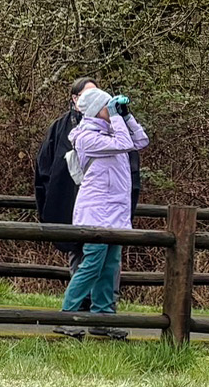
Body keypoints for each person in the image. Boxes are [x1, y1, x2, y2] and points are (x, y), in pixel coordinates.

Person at [59, 86, 149, 320]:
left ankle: (103, 317)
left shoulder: (112, 130)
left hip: (116, 212)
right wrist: (117, 118)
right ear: (97, 109)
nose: (112, 110)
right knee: (92, 266)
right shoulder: (86, 137)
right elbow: (123, 144)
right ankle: (67, 315)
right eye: (107, 106)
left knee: (110, 268)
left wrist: (126, 115)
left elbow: (140, 140)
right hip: (95, 212)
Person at [33, 77, 144, 267]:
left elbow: (135, 149)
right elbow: (44, 169)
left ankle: (105, 297)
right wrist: (48, 203)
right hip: (73, 202)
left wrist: (123, 117)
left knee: (109, 262)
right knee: (84, 263)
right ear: (75, 99)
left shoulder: (113, 129)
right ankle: (78, 297)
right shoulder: (63, 129)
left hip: (110, 208)